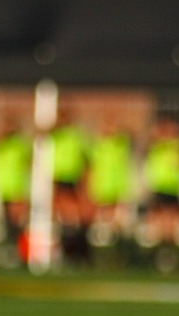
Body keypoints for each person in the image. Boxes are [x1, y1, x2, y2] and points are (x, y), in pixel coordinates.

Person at [141, 119, 179, 271]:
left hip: (174, 189)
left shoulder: (178, 147)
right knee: (157, 225)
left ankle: (173, 257)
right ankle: (157, 256)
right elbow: (145, 144)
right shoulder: (155, 146)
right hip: (159, 188)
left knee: (173, 226)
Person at [86, 122, 134, 256]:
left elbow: (130, 135)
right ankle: (100, 249)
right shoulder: (97, 146)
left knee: (118, 220)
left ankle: (116, 249)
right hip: (101, 189)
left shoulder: (120, 145)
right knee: (101, 220)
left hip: (117, 188)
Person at [0, 118, 32, 255]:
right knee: (5, 223)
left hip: (17, 189)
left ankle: (21, 252)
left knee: (18, 223)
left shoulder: (20, 145)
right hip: (2, 189)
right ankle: (8, 251)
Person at [49, 113, 90, 264]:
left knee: (73, 217)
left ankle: (77, 253)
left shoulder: (77, 137)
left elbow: (87, 160)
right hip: (58, 179)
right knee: (59, 216)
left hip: (72, 179)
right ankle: (60, 251)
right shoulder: (55, 135)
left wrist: (84, 185)